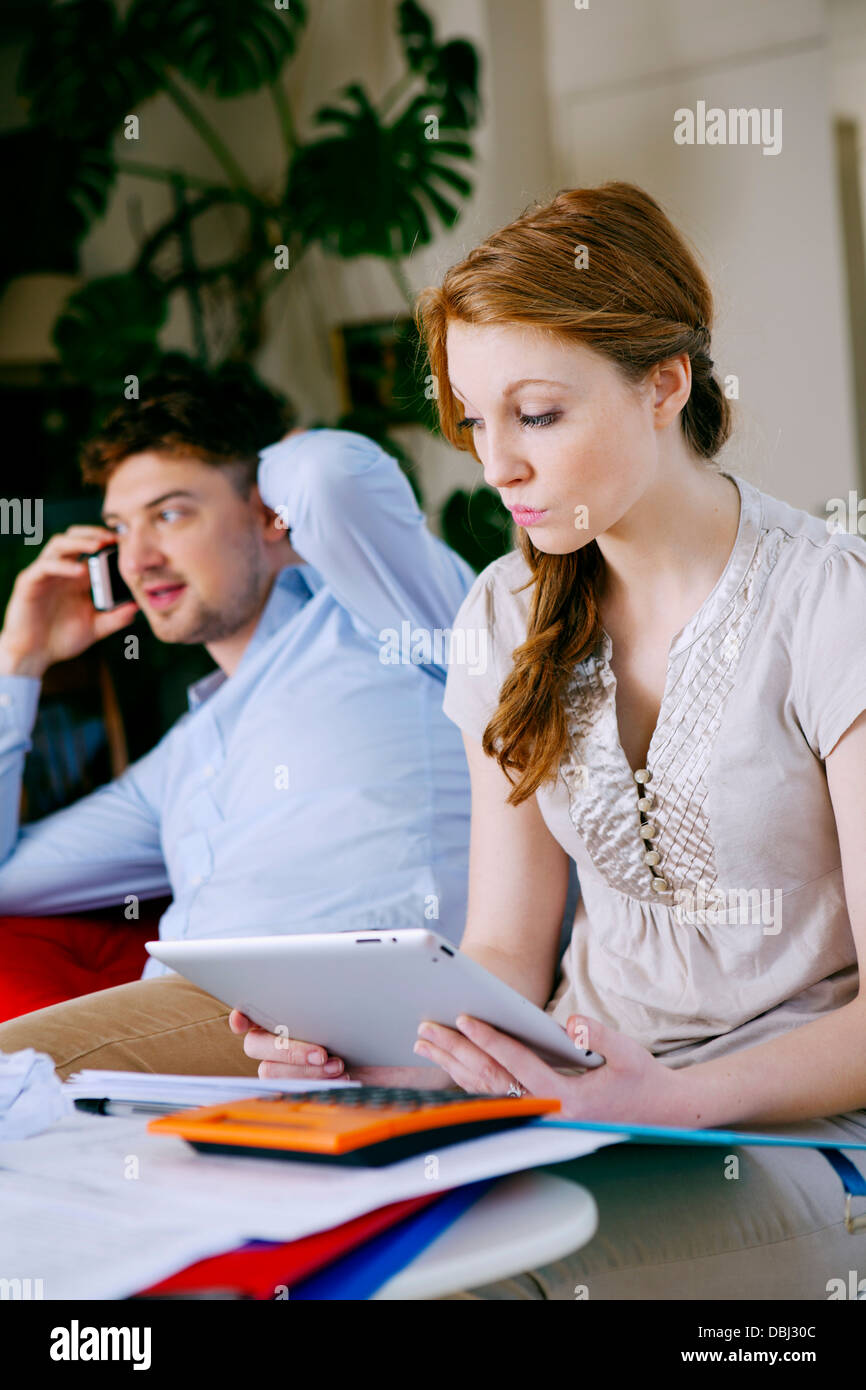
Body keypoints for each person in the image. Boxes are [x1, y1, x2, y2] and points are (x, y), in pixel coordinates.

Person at [233, 182, 866, 1299]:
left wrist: (665, 1099)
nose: (496, 465)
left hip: (803, 1132)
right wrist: (379, 1047)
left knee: (455, 1281)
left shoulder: (829, 606)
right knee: (294, 1250)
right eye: (475, 421)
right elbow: (507, 953)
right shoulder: (501, 615)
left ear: (662, 383)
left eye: (536, 414)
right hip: (577, 1104)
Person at [0, 367, 475, 1079]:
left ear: (268, 510)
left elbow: (325, 474)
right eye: (120, 530)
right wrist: (19, 661)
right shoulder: (180, 759)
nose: (137, 559)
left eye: (171, 513)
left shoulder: (390, 619)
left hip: (369, 1010)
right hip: (223, 1033)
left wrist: (265, 455)